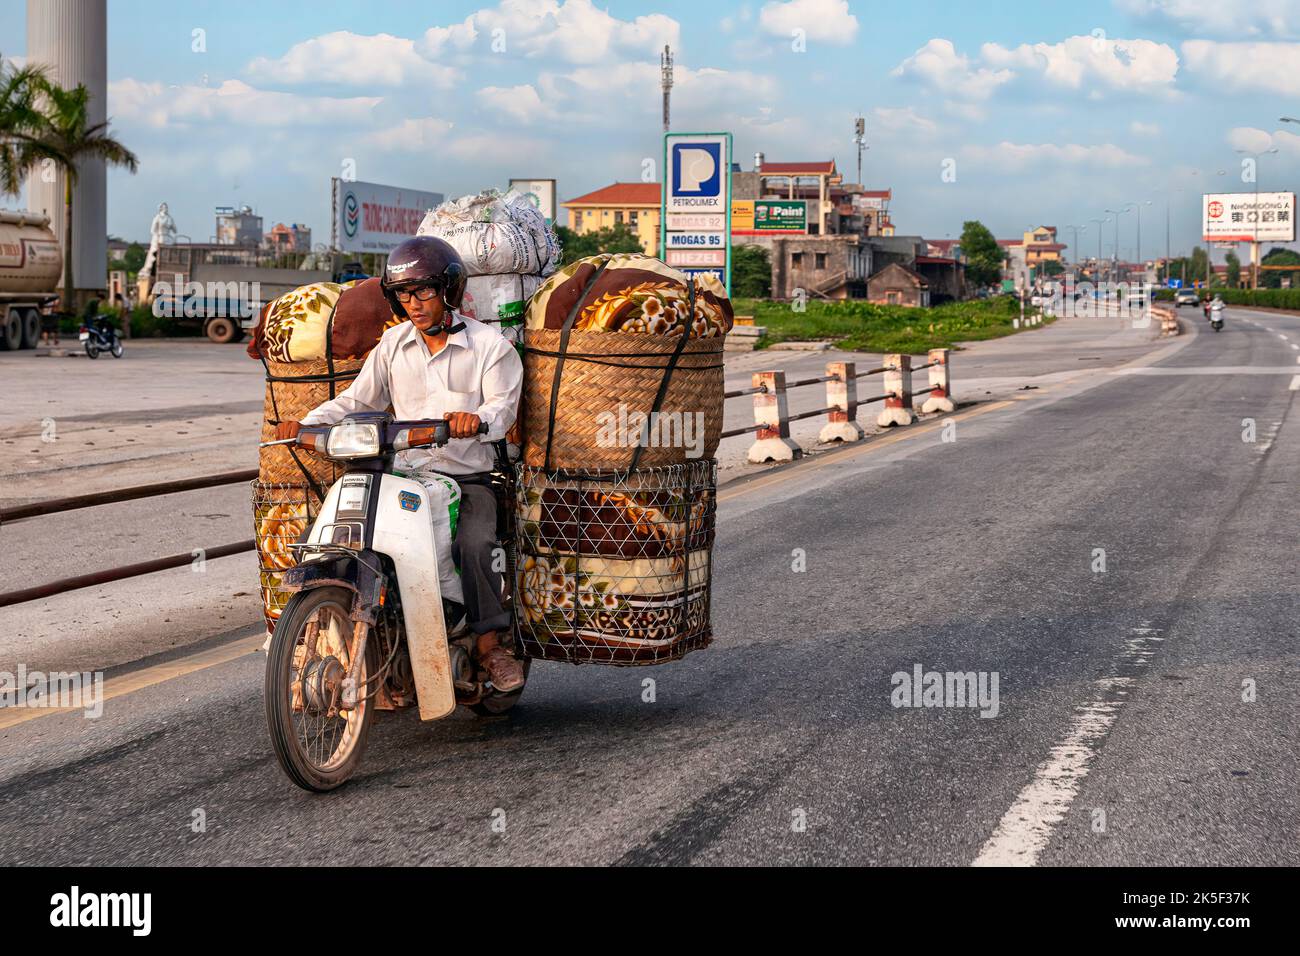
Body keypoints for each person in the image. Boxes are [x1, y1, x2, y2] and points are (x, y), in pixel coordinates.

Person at [274, 237, 526, 692]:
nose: (414, 303)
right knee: (342, 529)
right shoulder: (393, 343)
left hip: (467, 478)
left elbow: (502, 412)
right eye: (404, 294)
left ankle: (490, 645)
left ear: (449, 290)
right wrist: (303, 424)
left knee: (474, 543)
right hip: (401, 474)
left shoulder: (491, 346)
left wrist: (476, 420)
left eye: (424, 292)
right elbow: (356, 399)